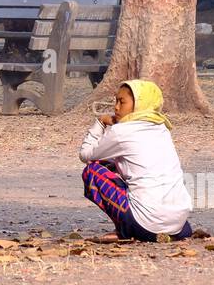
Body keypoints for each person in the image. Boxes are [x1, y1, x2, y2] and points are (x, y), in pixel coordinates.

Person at [79, 79, 193, 242]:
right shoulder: (162, 128)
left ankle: (126, 229)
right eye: (115, 101)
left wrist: (100, 123)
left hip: (145, 225)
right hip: (179, 226)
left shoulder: (121, 131)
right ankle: (161, 231)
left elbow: (85, 154)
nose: (116, 107)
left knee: (92, 170)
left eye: (122, 102)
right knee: (112, 166)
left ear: (138, 105)